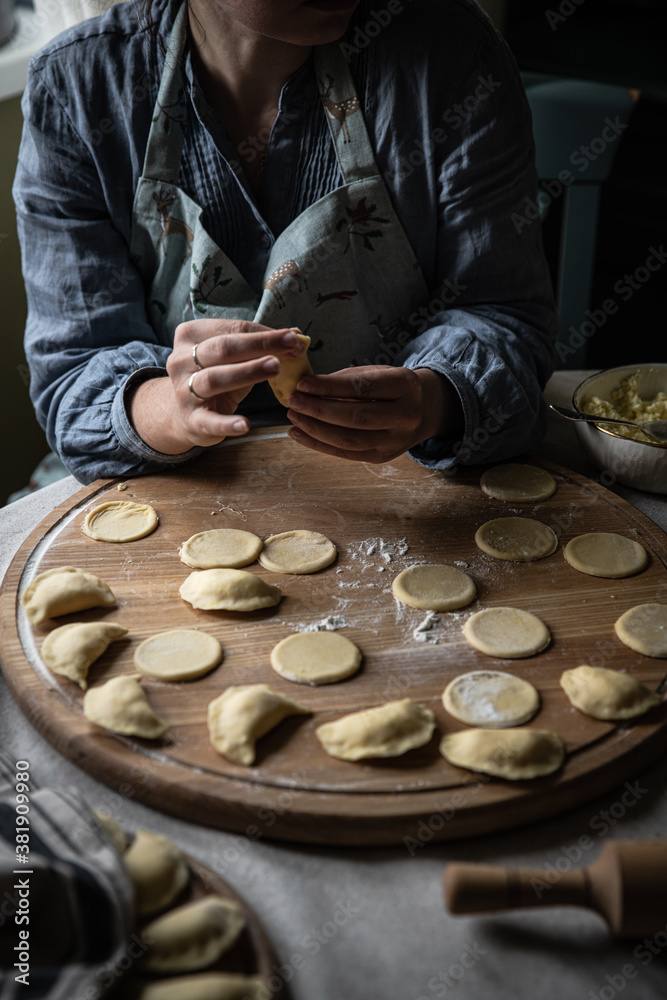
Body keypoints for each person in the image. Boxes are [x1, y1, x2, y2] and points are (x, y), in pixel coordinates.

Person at [14, 0, 557, 486]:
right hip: (164, 484)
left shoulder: (451, 58)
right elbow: (74, 374)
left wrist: (432, 401)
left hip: (402, 483)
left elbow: (506, 318)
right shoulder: (79, 90)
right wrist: (169, 409)